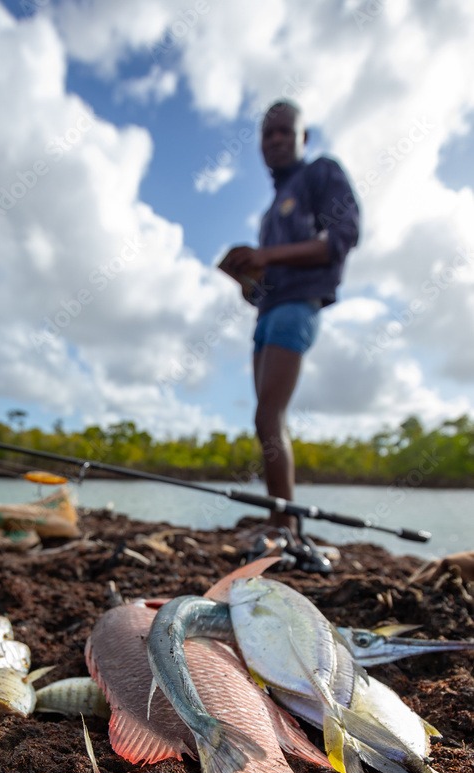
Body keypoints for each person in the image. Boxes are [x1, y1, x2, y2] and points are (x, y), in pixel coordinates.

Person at [219, 101, 359, 548]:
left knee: (269, 413)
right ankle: (279, 518)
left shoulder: (321, 173)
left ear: (303, 137)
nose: (275, 140)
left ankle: (285, 526)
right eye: (267, 134)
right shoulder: (269, 212)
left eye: (284, 131)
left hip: (299, 305)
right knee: (264, 419)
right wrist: (246, 279)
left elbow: (342, 237)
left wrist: (266, 257)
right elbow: (260, 287)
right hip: (268, 311)